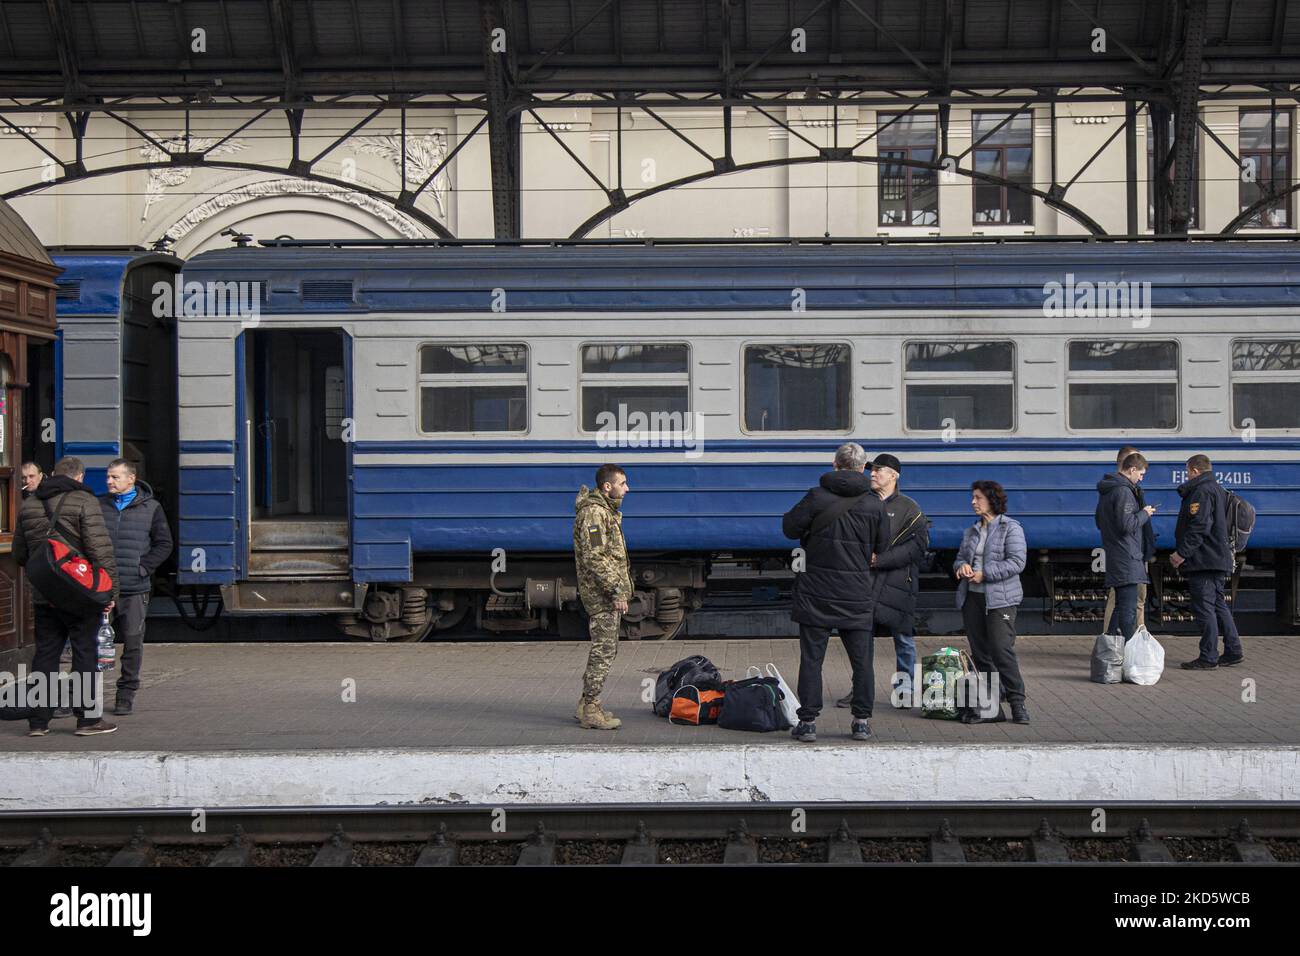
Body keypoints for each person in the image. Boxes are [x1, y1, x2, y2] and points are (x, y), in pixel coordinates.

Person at [781, 442, 887, 743]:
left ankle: (809, 722)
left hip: (816, 593)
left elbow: (789, 528)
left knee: (812, 659)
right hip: (856, 594)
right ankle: (861, 721)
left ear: (834, 464)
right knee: (862, 660)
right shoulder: (874, 504)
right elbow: (882, 546)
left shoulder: (816, 497)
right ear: (864, 468)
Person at [12, 456, 118, 736]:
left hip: (45, 594)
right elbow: (100, 551)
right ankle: (87, 720)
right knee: (84, 652)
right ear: (79, 477)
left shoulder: (29, 505)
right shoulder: (85, 501)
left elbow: (20, 554)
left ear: (52, 474)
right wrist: (109, 591)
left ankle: (38, 722)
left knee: (46, 654)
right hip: (80, 594)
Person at [836, 453, 928, 709]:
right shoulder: (862, 502)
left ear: (894, 475)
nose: (872, 474)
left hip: (898, 584)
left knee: (904, 640)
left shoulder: (910, 508)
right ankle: (860, 691)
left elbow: (917, 548)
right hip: (866, 583)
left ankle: (905, 691)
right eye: (871, 470)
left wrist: (880, 560)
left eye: (878, 470)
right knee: (861, 641)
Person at [98, 459, 173, 716]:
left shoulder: (151, 508)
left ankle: (125, 695)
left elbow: (164, 544)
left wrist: (143, 568)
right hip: (101, 587)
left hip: (134, 587)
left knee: (132, 643)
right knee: (92, 645)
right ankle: (85, 699)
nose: (109, 481)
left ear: (131, 479)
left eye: (115, 477)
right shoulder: (99, 505)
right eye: (108, 477)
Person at [954, 480, 1029, 724]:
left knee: (1001, 650)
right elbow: (959, 559)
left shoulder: (1011, 528)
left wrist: (985, 574)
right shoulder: (971, 530)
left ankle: (1018, 703)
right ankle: (991, 708)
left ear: (992, 500)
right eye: (973, 497)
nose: (973, 502)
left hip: (1000, 600)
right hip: (973, 598)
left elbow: (1017, 562)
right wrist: (962, 567)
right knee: (981, 654)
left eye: (978, 497)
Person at [573, 464, 634, 730]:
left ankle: (586, 704)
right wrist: (616, 590)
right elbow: (595, 557)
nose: (627, 489)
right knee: (604, 651)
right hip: (602, 595)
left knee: (606, 649)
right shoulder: (594, 514)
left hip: (603, 593)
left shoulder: (603, 512)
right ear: (607, 487)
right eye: (623, 483)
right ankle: (590, 709)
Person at [1173, 454, 1243, 669]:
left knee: (1205, 608)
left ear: (1194, 470)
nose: (1186, 476)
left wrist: (1181, 553)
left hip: (1205, 558)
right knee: (1219, 605)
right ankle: (1233, 651)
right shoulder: (1216, 489)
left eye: (1187, 471)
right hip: (1217, 557)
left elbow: (1199, 526)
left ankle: (1208, 656)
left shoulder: (1201, 491)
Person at [1095, 452, 1156, 643]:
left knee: (1120, 607)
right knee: (1128, 612)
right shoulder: (1123, 491)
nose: (1141, 479)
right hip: (1127, 557)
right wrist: (1145, 513)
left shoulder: (1108, 490)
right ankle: (1131, 656)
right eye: (1141, 474)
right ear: (1132, 469)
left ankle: (1109, 653)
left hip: (1118, 554)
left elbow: (1099, 521)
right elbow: (1126, 525)